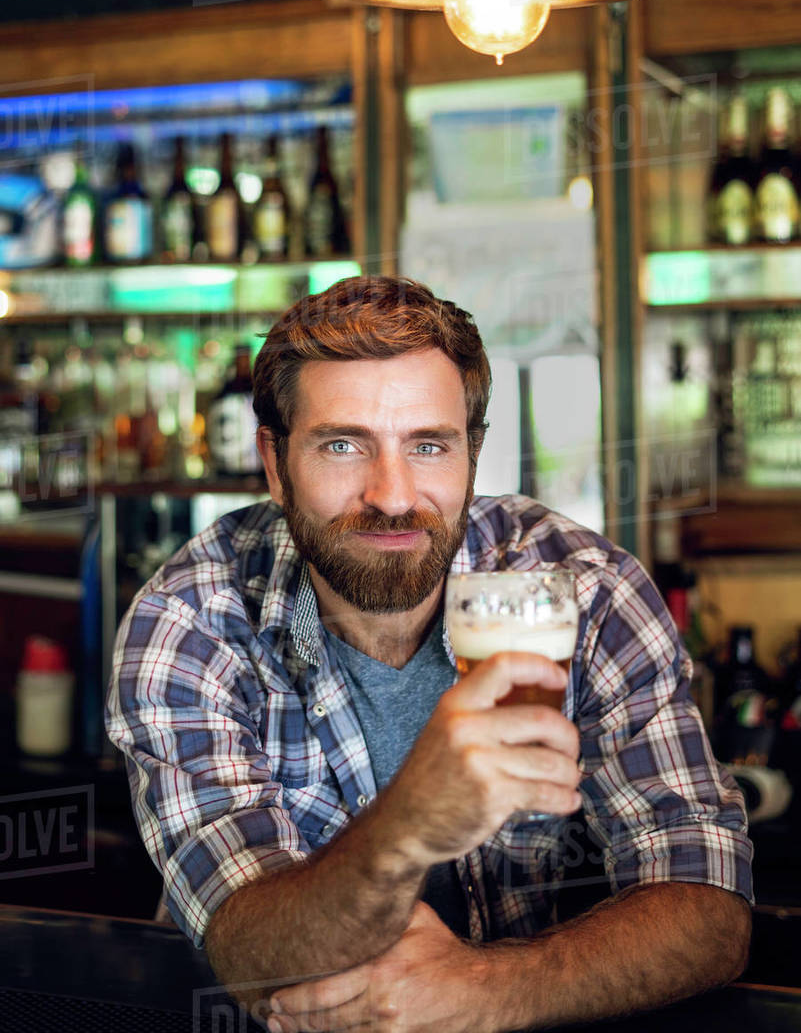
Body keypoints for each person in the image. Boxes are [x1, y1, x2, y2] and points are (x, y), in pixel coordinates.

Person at [106, 275, 752, 1033]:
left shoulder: (584, 590)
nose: (392, 494)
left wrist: (483, 989)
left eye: (428, 445)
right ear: (276, 464)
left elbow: (709, 908)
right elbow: (255, 954)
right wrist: (408, 825)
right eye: (342, 445)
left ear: (472, 455)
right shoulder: (193, 617)